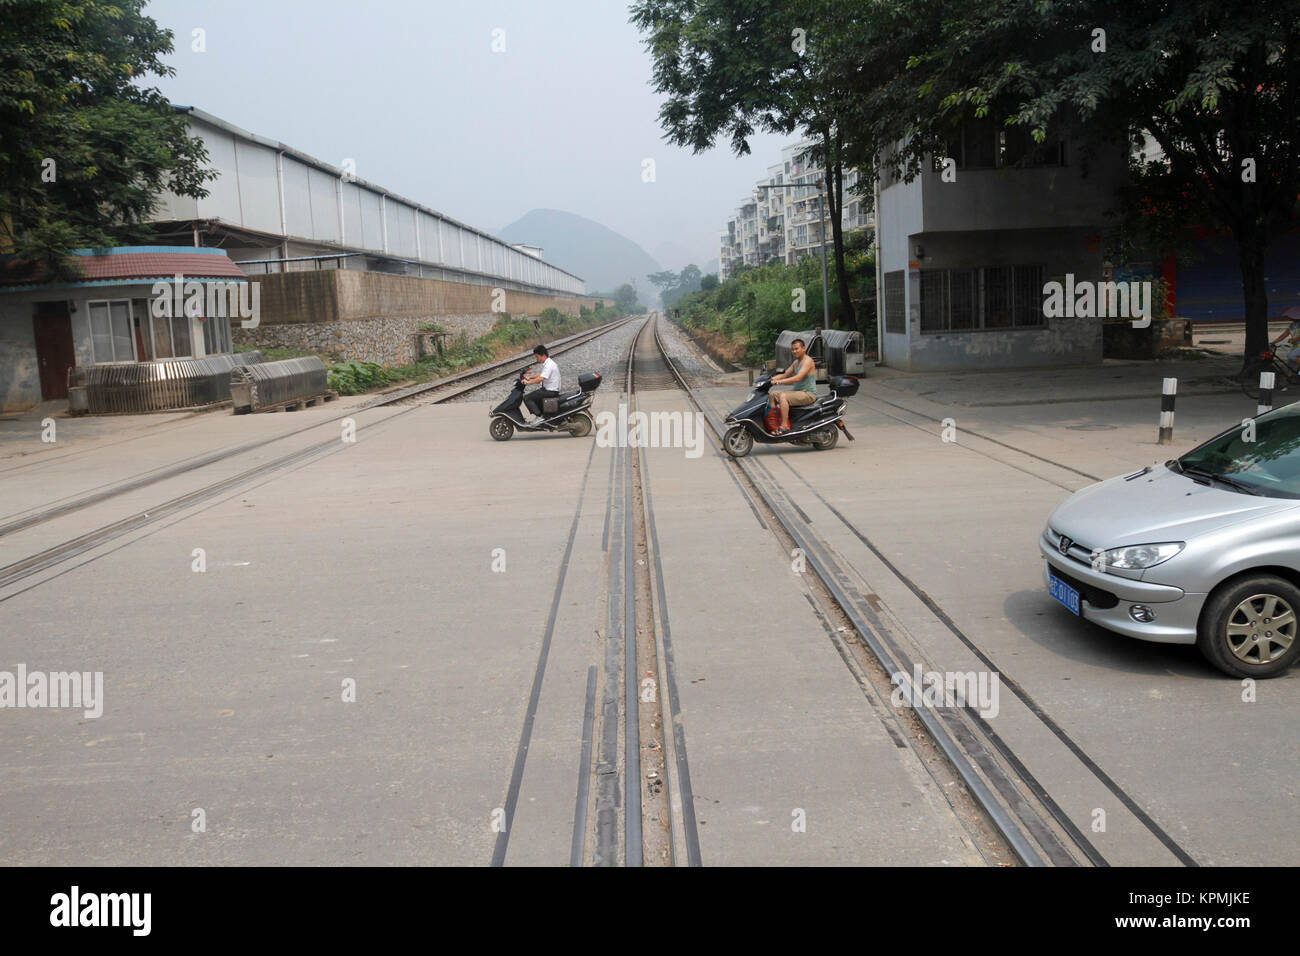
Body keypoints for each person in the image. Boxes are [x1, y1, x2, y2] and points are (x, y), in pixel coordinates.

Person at [768, 338, 817, 435]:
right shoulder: (796, 362)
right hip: (798, 392)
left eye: (796, 349)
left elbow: (797, 378)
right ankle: (774, 424)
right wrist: (770, 379)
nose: (794, 351)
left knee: (783, 396)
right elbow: (785, 374)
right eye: (793, 349)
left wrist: (778, 382)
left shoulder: (808, 361)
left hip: (807, 393)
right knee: (772, 395)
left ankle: (784, 426)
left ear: (803, 348)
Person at [522, 344, 561, 418]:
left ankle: (539, 417)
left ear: (543, 355)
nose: (536, 359)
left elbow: (541, 378)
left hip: (550, 392)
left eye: (537, 356)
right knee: (535, 395)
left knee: (527, 398)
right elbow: (541, 375)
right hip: (548, 390)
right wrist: (530, 377)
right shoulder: (548, 363)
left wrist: (528, 382)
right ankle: (543, 415)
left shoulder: (549, 365)